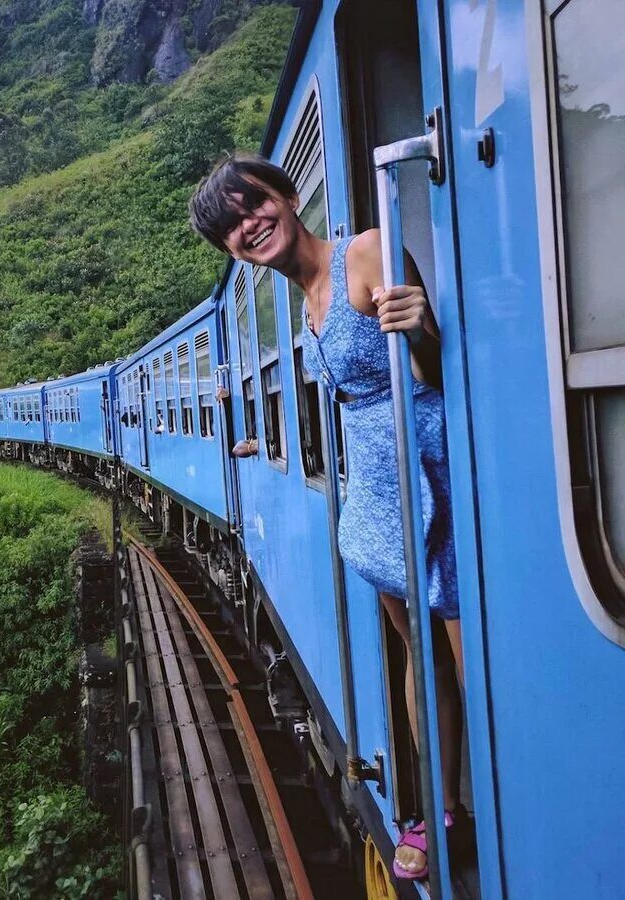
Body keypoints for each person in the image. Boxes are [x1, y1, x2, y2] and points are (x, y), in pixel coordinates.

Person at [189, 153, 466, 881]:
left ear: (286, 195)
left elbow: (439, 372)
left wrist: (424, 332)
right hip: (376, 488)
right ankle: (439, 806)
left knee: (469, 653)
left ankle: (501, 809)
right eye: (232, 228)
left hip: (429, 466)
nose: (250, 226)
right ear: (228, 250)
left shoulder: (366, 252)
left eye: (255, 206)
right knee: (419, 653)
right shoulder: (303, 303)